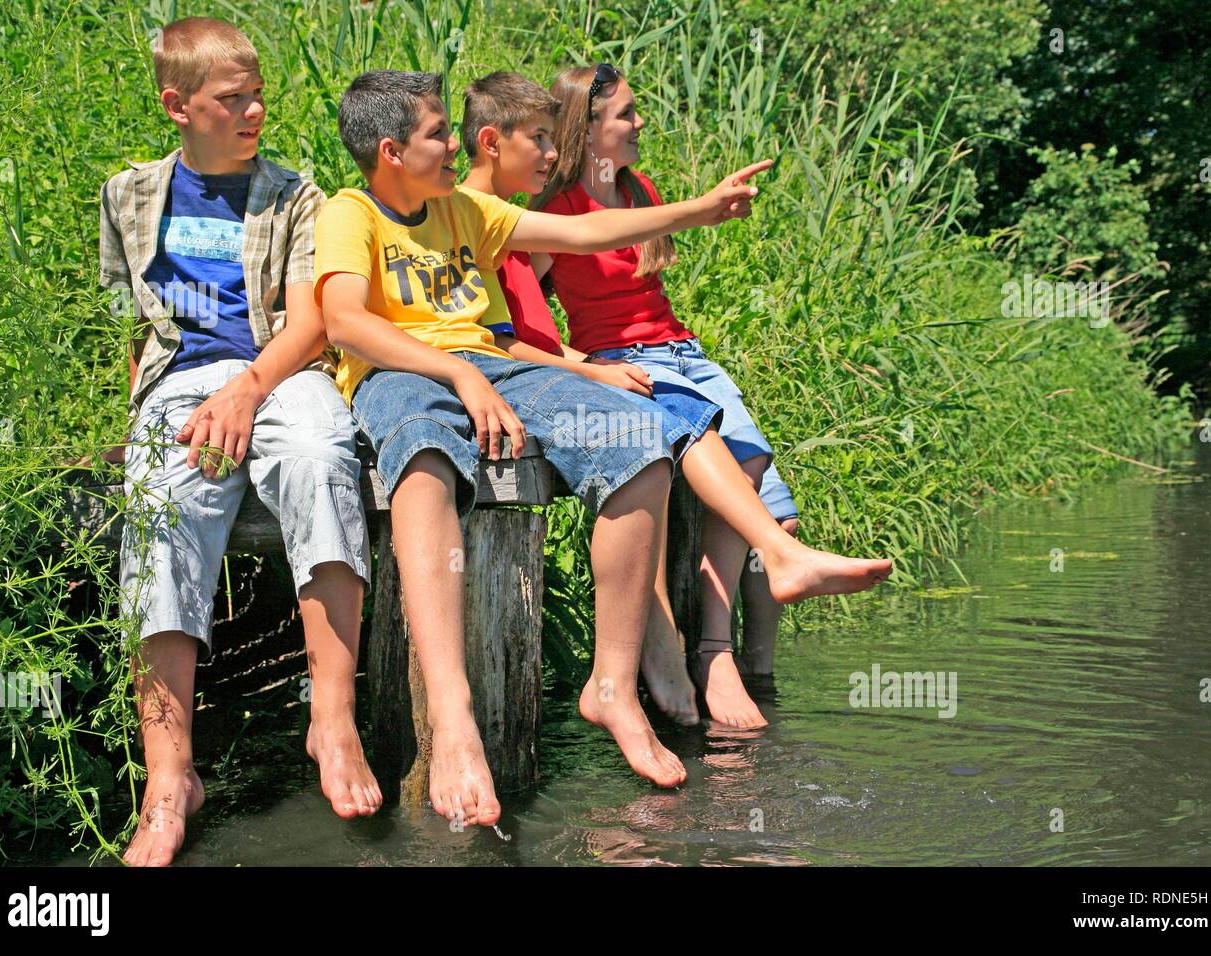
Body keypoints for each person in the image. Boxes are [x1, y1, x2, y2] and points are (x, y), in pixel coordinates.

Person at [315, 68, 789, 828]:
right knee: (425, 460)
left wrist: (700, 211)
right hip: (402, 371)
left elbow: (581, 232)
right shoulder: (351, 212)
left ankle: (610, 683)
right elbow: (343, 321)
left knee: (637, 439)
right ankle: (454, 712)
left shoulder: (464, 206)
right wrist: (453, 372)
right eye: (438, 133)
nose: (453, 144)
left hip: (498, 369)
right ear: (391, 150)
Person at [459, 71, 893, 726]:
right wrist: (590, 366)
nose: (640, 126)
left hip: (665, 354)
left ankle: (754, 663)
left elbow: (539, 311)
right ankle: (705, 651)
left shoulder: (603, 197)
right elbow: (512, 327)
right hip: (605, 365)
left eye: (551, 139)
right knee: (684, 446)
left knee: (770, 501)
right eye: (627, 116)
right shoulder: (520, 218)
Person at [101, 18, 379, 867]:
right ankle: (169, 776)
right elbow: (122, 322)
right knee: (167, 499)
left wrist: (247, 388)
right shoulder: (128, 195)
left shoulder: (298, 196)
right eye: (233, 99)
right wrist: (133, 419)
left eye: (259, 94)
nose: (255, 109)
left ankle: (331, 722)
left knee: (319, 457)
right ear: (177, 106)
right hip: (179, 381)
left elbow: (309, 325)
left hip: (279, 369)